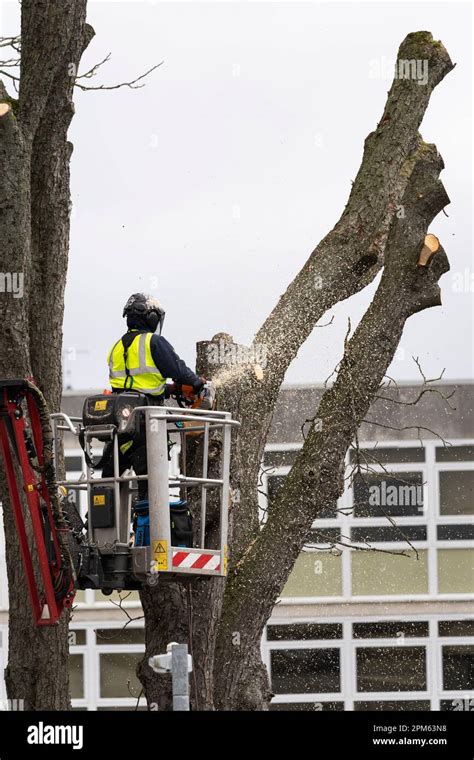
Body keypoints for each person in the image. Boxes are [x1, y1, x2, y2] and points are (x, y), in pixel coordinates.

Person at [103, 293, 205, 498]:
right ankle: (149, 525)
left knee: (109, 480)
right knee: (151, 484)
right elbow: (178, 370)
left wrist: (173, 389)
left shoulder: (115, 347)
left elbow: (134, 384)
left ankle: (97, 523)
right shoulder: (154, 342)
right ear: (151, 318)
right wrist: (196, 383)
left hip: (120, 422)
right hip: (146, 422)